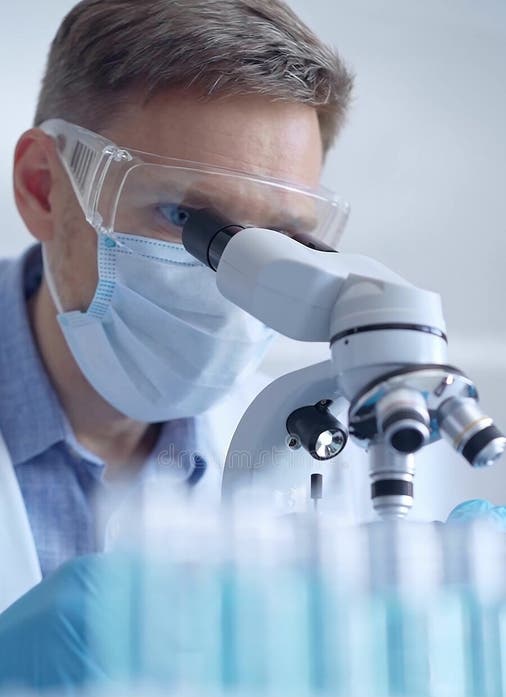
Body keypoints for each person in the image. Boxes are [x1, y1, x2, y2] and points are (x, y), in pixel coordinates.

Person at [0, 0, 354, 614]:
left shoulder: (315, 451)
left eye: (283, 238)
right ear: (44, 188)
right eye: (185, 219)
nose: (240, 277)